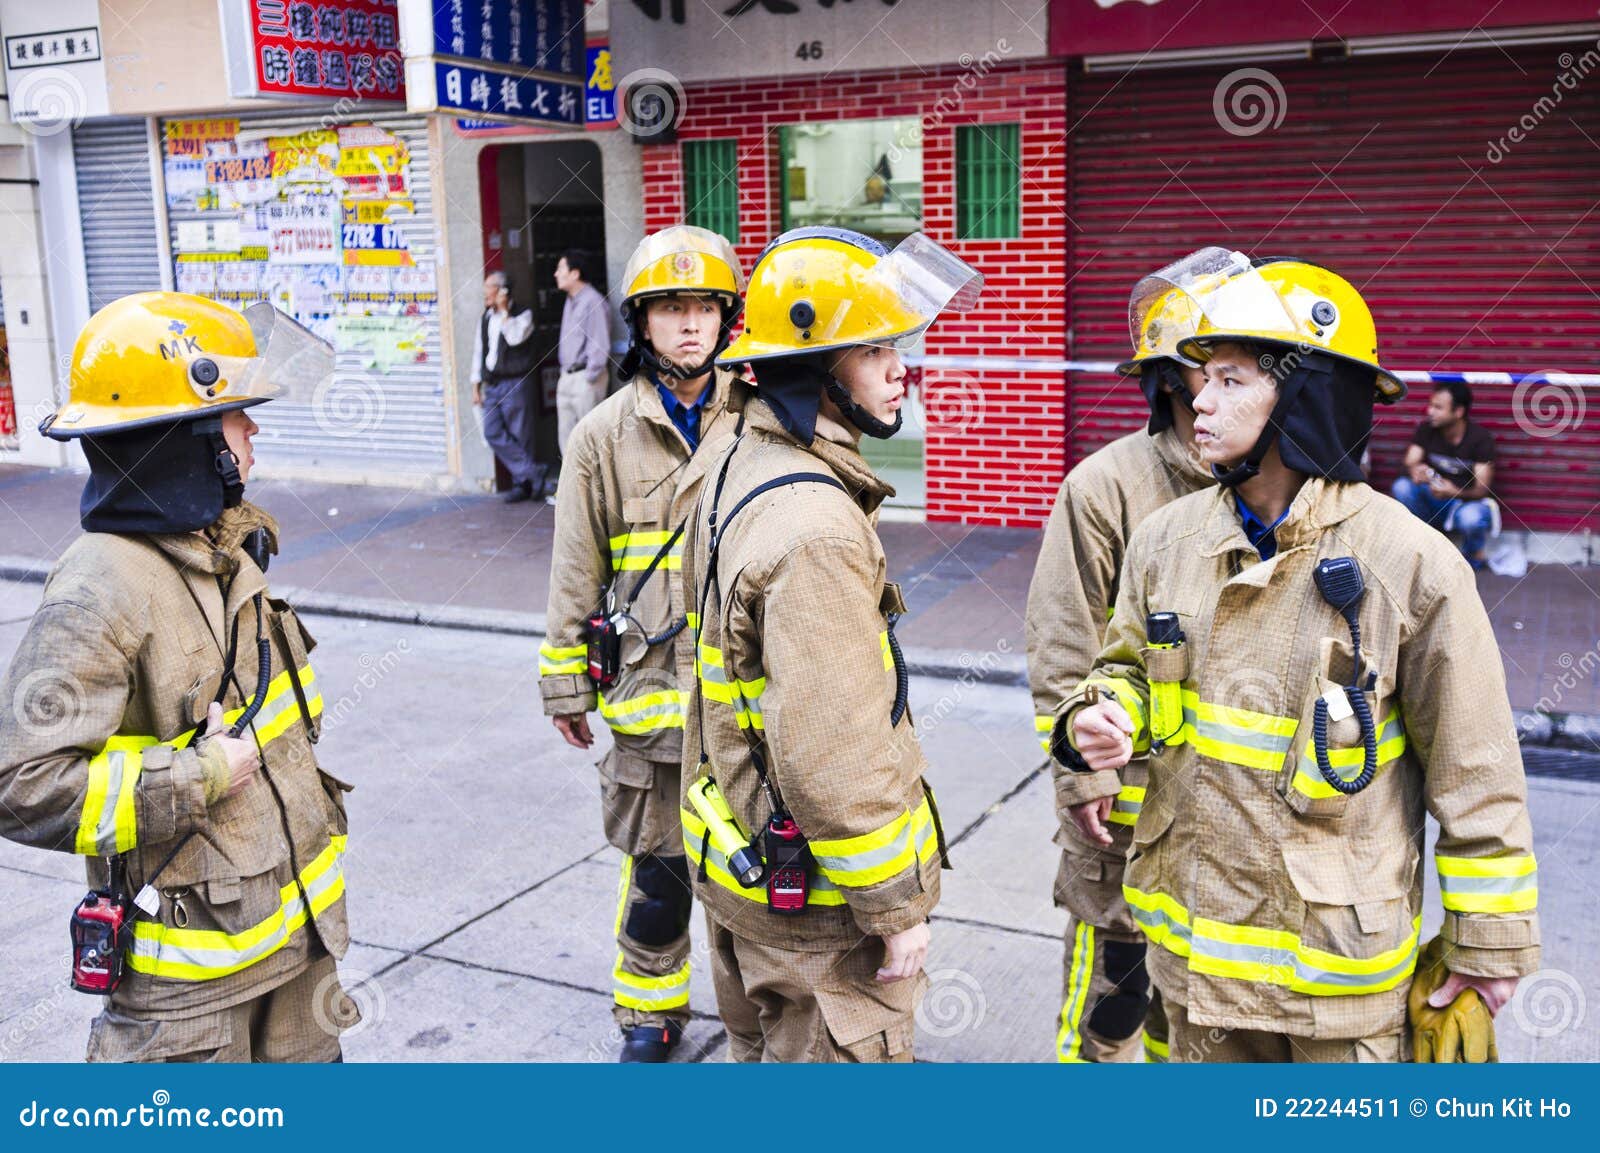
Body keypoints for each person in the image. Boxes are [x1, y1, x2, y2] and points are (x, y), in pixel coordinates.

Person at [1063, 256, 1539, 1063]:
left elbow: (1477, 768)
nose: (1199, 400)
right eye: (1199, 378)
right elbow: (1124, 667)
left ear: (1308, 395)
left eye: (1231, 380)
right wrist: (1105, 713)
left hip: (1334, 996)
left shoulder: (1412, 566)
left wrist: (1486, 947)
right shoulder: (1165, 541)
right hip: (1195, 974)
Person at [0, 292, 358, 1062]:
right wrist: (196, 773)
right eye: (235, 418)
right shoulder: (100, 585)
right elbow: (20, 783)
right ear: (186, 442)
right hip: (192, 1006)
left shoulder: (226, 553)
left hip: (300, 959)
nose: (253, 433)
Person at [680, 227, 981, 1062]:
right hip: (820, 916)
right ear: (813, 370)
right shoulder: (816, 530)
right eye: (876, 350)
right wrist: (895, 912)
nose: (900, 370)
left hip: (747, 881)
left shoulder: (736, 453)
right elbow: (833, 754)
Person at [540, 226, 746, 1062]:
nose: (688, 324)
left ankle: (753, 1012)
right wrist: (564, 684)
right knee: (657, 877)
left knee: (751, 880)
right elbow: (573, 568)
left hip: (742, 709)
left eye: (703, 307)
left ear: (727, 318)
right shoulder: (601, 436)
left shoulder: (763, 415)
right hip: (649, 705)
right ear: (642, 322)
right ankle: (650, 1016)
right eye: (670, 308)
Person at [1026, 253, 1219, 1064]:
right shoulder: (1104, 489)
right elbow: (1064, 640)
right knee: (1116, 998)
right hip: (1130, 802)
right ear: (1170, 378)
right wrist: (1081, 773)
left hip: (1229, 810)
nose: (1224, 388)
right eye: (1213, 367)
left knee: (1201, 1012)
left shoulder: (1282, 485)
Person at [1391, 380, 1497, 568]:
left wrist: (1454, 491)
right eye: (1431, 405)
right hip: (1434, 500)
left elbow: (1482, 490)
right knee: (1402, 486)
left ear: (1458, 412)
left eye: (1438, 407)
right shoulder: (1427, 429)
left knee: (1472, 517)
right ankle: (1426, 547)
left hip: (1463, 504)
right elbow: (1410, 461)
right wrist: (1416, 471)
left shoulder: (1480, 439)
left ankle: (1472, 556)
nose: (1430, 411)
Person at [471, 272, 547, 503]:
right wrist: (476, 385)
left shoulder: (523, 314)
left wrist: (505, 312)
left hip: (515, 382)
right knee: (491, 431)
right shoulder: (485, 317)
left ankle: (521, 485)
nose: (485, 292)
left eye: (489, 287)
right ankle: (534, 472)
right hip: (492, 384)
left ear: (502, 291)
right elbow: (478, 351)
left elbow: (515, 338)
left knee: (520, 434)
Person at [553, 248, 613, 464]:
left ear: (575, 273)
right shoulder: (570, 300)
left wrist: (590, 377)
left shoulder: (592, 301)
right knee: (566, 438)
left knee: (589, 440)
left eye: (560, 268)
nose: (556, 274)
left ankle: (594, 493)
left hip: (585, 378)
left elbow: (599, 344)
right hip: (567, 377)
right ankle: (572, 494)